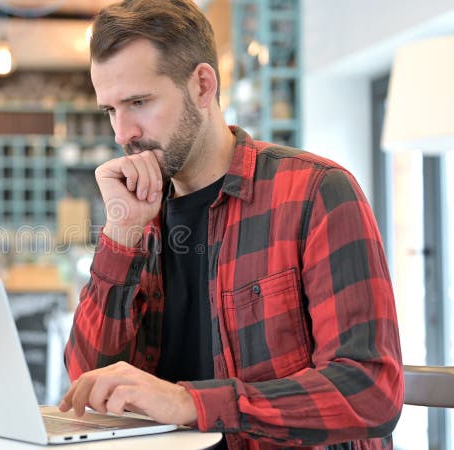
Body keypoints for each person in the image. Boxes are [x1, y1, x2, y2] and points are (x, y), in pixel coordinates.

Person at [57, 1, 404, 449]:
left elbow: (371, 391)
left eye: (138, 102)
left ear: (202, 85)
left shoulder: (316, 193)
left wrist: (191, 403)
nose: (123, 133)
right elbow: (87, 385)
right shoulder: (139, 213)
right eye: (110, 110)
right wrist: (121, 235)